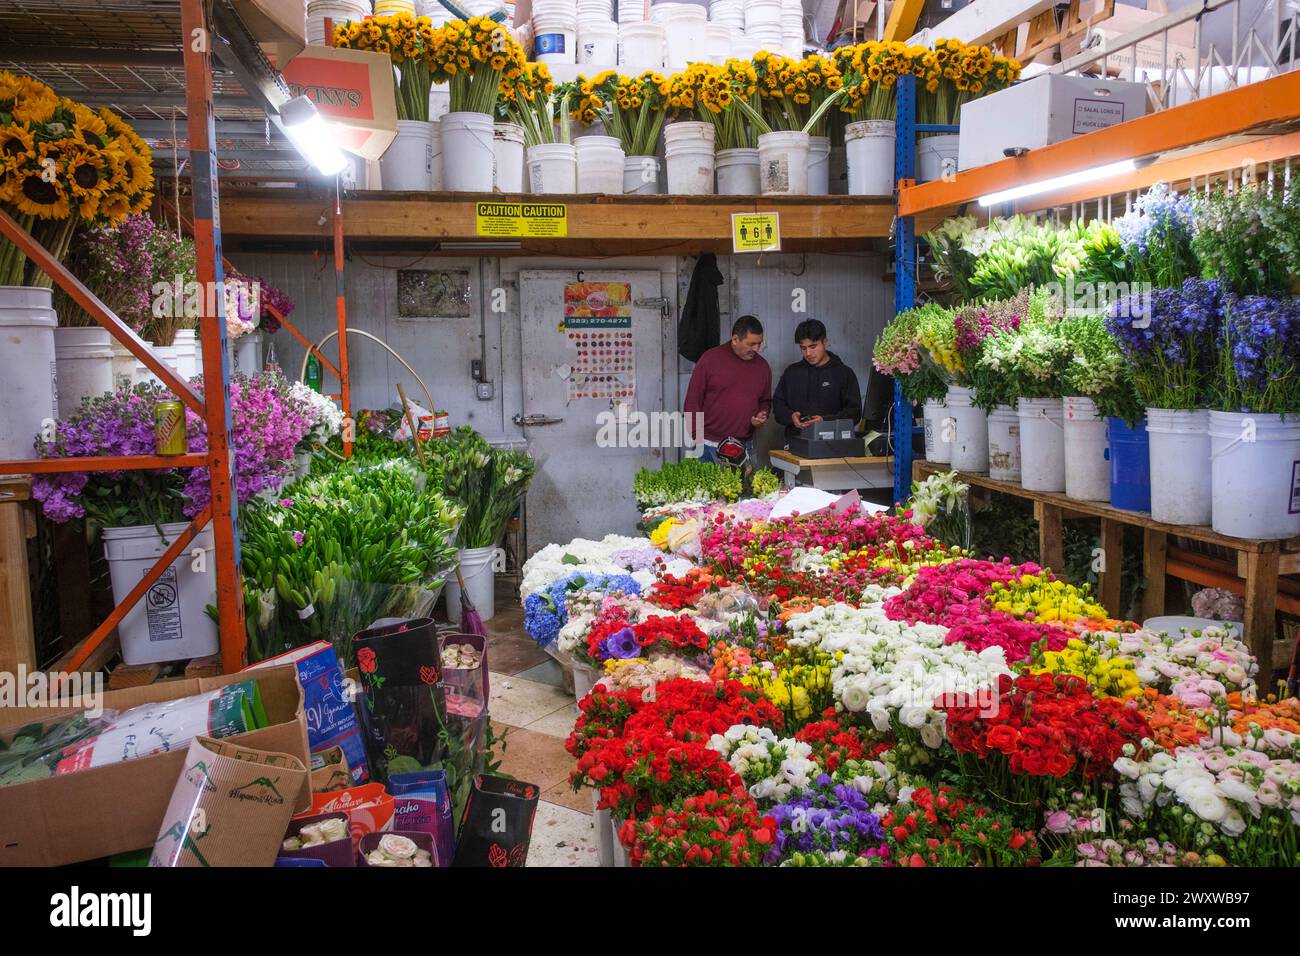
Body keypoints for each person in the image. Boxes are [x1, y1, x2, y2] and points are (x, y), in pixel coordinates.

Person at [683, 315, 772, 464]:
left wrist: (762, 414)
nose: (756, 349)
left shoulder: (762, 367)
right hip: (706, 445)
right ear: (735, 340)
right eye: (751, 344)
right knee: (703, 488)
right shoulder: (710, 360)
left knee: (742, 488)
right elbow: (693, 400)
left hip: (743, 446)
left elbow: (766, 401)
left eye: (759, 343)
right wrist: (696, 437)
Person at [771, 319, 863, 441]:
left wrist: (825, 421)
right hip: (795, 444)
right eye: (803, 348)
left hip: (833, 446)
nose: (808, 353)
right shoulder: (791, 373)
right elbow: (778, 406)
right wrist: (791, 416)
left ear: (825, 343)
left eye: (813, 346)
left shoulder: (844, 373)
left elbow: (854, 413)